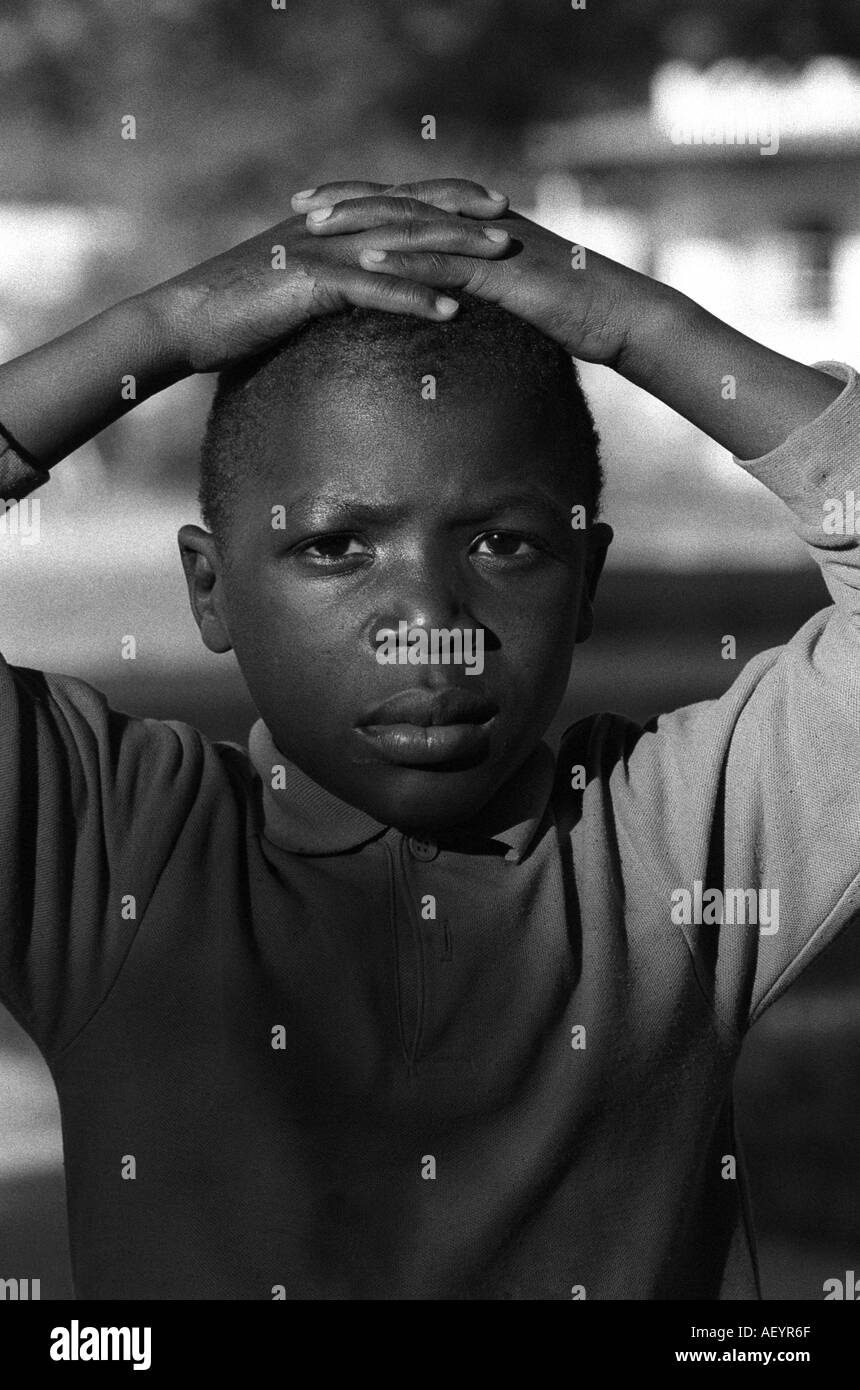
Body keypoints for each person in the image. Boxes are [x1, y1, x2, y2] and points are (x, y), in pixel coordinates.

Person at [0, 178, 856, 1300]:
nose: (431, 628)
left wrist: (631, 323)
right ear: (210, 588)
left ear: (585, 577)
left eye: (501, 543)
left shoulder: (677, 847)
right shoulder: (112, 849)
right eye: (335, 548)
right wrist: (160, 327)